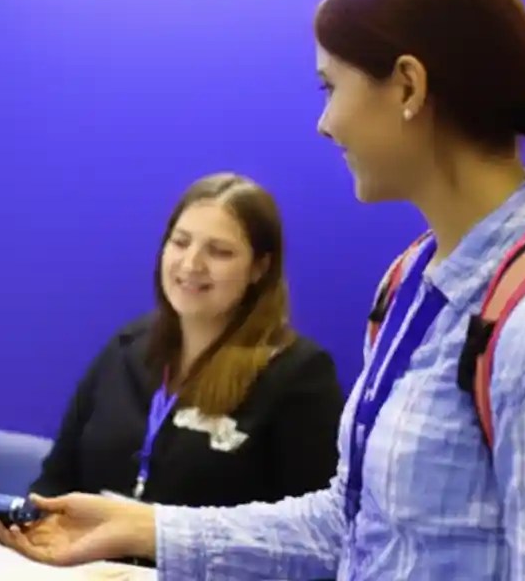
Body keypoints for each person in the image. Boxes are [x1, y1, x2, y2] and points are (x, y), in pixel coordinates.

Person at [0, 0, 525, 579]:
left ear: (407, 87)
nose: (325, 122)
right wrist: (139, 526)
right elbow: (350, 527)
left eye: (331, 86)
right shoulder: (412, 282)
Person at [30, 173, 342, 517]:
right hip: (92, 570)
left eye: (219, 252)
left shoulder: (298, 375)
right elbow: (53, 484)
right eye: (180, 242)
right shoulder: (126, 347)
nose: (191, 264)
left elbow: (313, 534)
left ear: (259, 268)